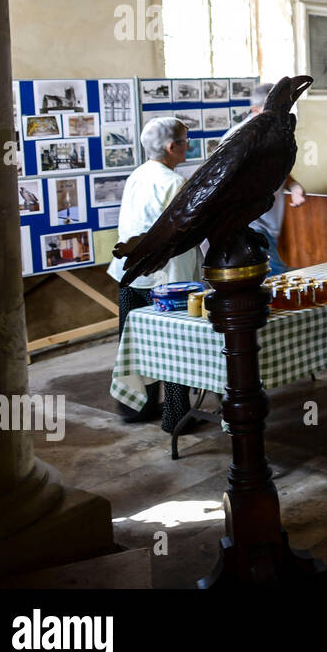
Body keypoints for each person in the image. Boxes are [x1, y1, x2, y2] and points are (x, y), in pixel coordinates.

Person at [107, 118, 200, 427]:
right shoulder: (173, 183)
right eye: (186, 142)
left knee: (138, 344)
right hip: (166, 281)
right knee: (174, 347)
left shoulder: (138, 175)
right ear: (172, 147)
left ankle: (137, 407)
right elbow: (183, 233)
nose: (189, 146)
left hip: (130, 274)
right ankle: (177, 417)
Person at [243, 82, 306, 275]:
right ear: (255, 110)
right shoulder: (242, 141)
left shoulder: (273, 137)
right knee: (278, 280)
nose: (282, 116)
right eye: (275, 111)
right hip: (253, 228)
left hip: (269, 227)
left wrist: (294, 187)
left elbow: (277, 172)